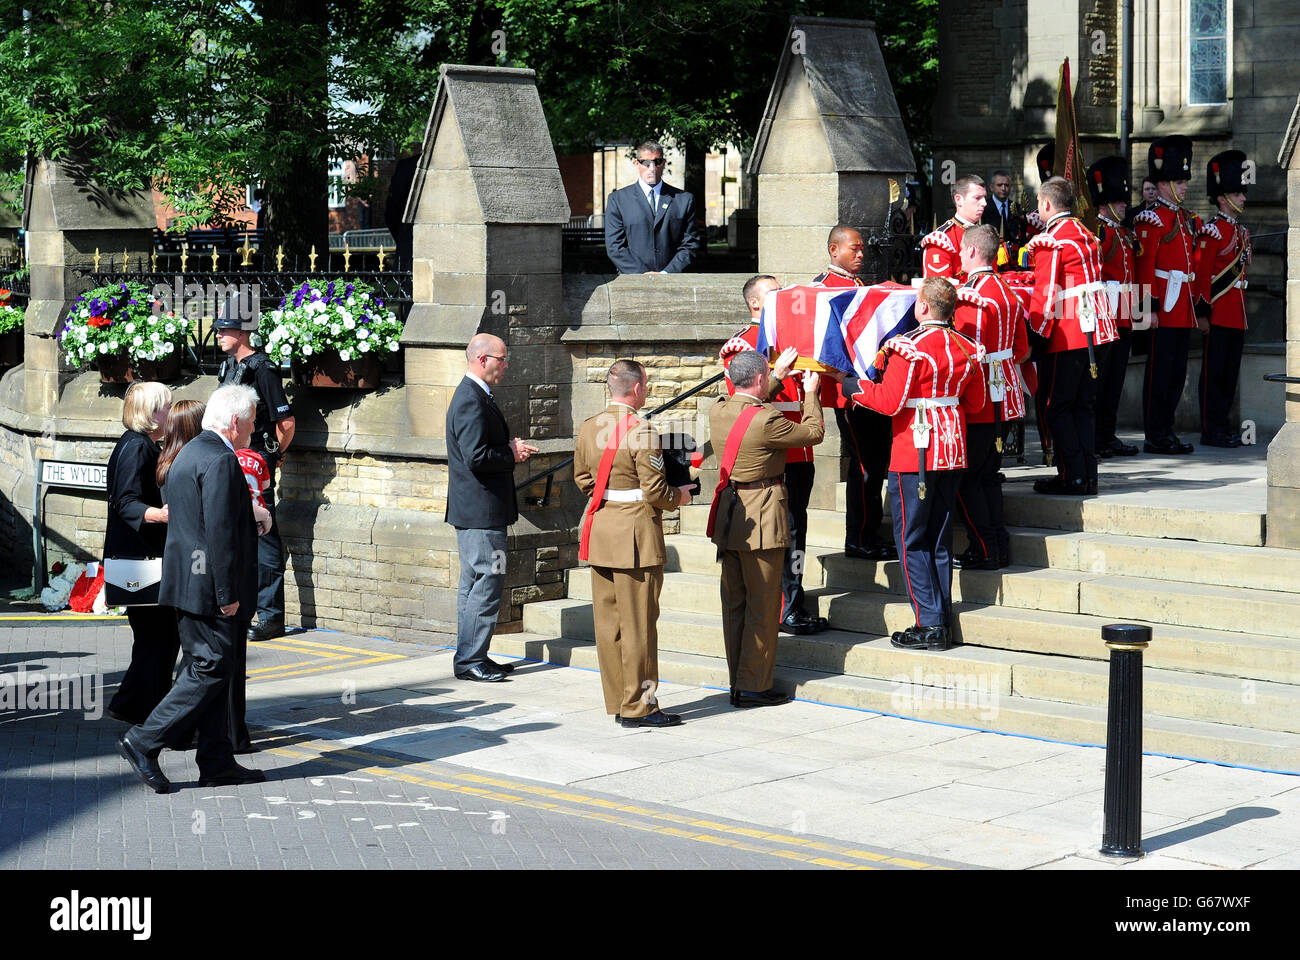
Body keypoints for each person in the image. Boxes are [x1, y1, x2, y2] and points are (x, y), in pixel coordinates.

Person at [117, 385, 266, 792]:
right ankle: (144, 740)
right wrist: (226, 593)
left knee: (217, 669)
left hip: (187, 582)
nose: (254, 428)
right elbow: (218, 532)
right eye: (252, 420)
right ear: (235, 422)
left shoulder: (191, 453)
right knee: (210, 667)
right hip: (208, 588)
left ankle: (217, 760)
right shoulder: (219, 460)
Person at [840, 279, 985, 651]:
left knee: (913, 541)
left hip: (914, 453)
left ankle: (929, 623)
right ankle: (939, 617)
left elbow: (889, 402)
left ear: (922, 307)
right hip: (952, 450)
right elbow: (978, 403)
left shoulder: (908, 348)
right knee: (938, 539)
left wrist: (854, 387)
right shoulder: (967, 347)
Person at [573, 360, 694, 728]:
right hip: (635, 537)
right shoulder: (642, 431)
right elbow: (657, 492)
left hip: (602, 533)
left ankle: (619, 702)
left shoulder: (589, 426)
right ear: (637, 388)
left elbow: (582, 479)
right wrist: (681, 497)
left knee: (609, 625)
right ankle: (640, 705)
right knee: (639, 625)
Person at [709, 351, 823, 707]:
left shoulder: (719, 410)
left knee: (736, 605)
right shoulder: (767, 419)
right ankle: (754, 686)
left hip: (731, 518)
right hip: (761, 517)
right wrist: (811, 393)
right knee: (763, 603)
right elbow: (813, 433)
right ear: (760, 379)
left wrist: (775, 376)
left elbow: (748, 408)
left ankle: (737, 679)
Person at [719, 275, 829, 636]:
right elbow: (745, 402)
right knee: (782, 536)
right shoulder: (742, 345)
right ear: (754, 303)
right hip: (771, 455)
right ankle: (785, 605)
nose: (782, 298)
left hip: (801, 450)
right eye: (773, 294)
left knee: (797, 534)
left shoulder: (792, 335)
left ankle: (793, 598)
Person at [446, 333, 538, 682]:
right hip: (481, 512)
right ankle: (470, 660)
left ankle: (473, 654)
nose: (506, 365)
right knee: (488, 580)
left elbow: (481, 446)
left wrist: (507, 446)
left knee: (474, 584)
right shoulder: (471, 398)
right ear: (482, 359)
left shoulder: (476, 394)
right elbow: (476, 457)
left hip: (476, 510)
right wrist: (510, 454)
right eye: (502, 359)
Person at [1024, 177, 1118, 494]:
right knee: (1084, 407)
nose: (1038, 210)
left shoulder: (1051, 240)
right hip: (1099, 330)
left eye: (1039, 204)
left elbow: (1047, 293)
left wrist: (1035, 333)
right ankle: (1087, 475)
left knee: (1057, 408)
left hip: (1070, 333)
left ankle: (1072, 476)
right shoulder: (1086, 232)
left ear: (1047, 204)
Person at [810, 226, 897, 563]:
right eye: (854, 249)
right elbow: (821, 347)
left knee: (874, 465)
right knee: (864, 467)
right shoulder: (822, 289)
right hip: (849, 393)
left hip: (868, 389)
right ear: (834, 250)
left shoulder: (856, 285)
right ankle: (860, 537)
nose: (861, 255)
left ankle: (868, 533)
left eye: (862, 249)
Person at [215, 290, 295, 642]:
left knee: (264, 537)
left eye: (224, 330)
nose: (217, 334)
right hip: (231, 459)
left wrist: (273, 456)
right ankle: (244, 606)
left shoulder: (263, 369)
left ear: (243, 333)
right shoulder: (230, 366)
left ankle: (272, 616)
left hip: (255, 461)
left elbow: (286, 422)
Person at [953, 225, 1028, 570]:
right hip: (1007, 393)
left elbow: (966, 353)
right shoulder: (1009, 291)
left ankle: (984, 547)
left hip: (980, 396)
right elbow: (1022, 351)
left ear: (969, 252)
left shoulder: (971, 296)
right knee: (990, 476)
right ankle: (997, 545)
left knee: (970, 478)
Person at [104, 382, 178, 726]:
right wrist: (161, 514)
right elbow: (126, 501)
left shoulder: (137, 444)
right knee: (160, 638)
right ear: (151, 414)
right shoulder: (137, 448)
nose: (171, 413)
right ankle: (151, 715)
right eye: (166, 407)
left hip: (137, 560)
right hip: (140, 561)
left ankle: (129, 704)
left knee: (152, 638)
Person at [1134, 135, 1200, 455]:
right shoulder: (1151, 218)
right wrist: (1150, 308)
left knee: (1176, 375)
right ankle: (1154, 434)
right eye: (1178, 180)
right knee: (1159, 374)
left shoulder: (1183, 218)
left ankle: (1167, 429)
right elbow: (1146, 269)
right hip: (1164, 308)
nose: (1184, 187)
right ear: (1162, 183)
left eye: (1184, 181)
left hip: (1182, 307)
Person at [1195, 149, 1252, 448]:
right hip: (1217, 315)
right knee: (1214, 376)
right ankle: (1210, 428)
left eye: (1242, 193)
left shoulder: (1240, 232)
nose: (1243, 199)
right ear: (1221, 197)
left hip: (1236, 315)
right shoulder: (1212, 232)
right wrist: (1203, 314)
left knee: (1229, 377)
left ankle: (1224, 425)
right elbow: (1203, 277)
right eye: (1236, 193)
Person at [1089, 156, 1141, 459]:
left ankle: (1107, 434)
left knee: (1115, 382)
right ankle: (1096, 436)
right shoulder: (1101, 232)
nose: (1125, 205)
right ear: (1105, 203)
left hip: (1124, 317)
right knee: (1102, 381)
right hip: (1106, 317)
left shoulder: (1121, 231)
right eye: (1119, 201)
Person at [603, 141, 700, 274]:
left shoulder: (684, 200)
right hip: (632, 281)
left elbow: (690, 244)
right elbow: (615, 247)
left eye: (657, 162)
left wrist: (666, 273)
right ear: (637, 163)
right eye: (646, 163)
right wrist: (643, 275)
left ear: (664, 163)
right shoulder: (618, 200)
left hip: (673, 281)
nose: (652, 168)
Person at [921, 175, 988, 281]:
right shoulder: (942, 239)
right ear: (959, 199)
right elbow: (938, 290)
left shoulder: (986, 235)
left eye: (984, 198)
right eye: (977, 198)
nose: (984, 203)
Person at [981, 169, 1026, 248]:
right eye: (999, 185)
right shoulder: (983, 207)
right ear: (991, 187)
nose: (1003, 188)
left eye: (1006, 185)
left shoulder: (1017, 208)